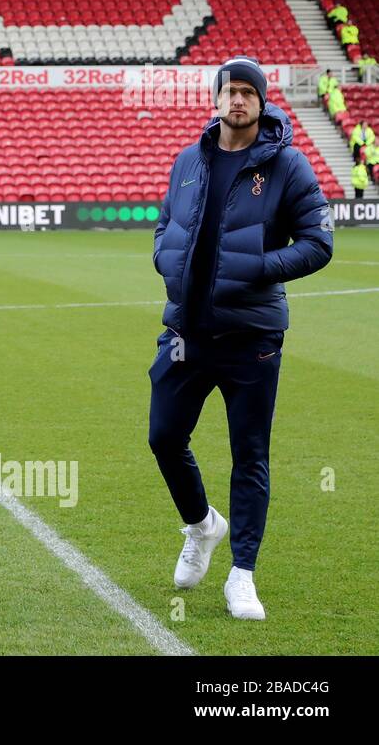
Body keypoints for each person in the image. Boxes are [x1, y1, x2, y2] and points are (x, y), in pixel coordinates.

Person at [150, 56, 333, 621]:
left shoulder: (288, 165)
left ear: (261, 101)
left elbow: (318, 242)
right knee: (163, 437)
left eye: (247, 93)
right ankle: (203, 526)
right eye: (229, 90)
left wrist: (256, 265)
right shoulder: (188, 160)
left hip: (252, 335)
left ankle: (243, 575)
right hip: (185, 330)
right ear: (216, 98)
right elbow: (164, 227)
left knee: (249, 454)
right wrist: (164, 256)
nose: (237, 100)